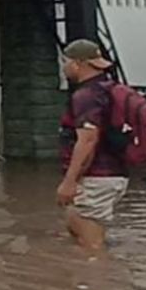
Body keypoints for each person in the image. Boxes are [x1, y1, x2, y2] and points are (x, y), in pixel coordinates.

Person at [56, 39, 128, 250]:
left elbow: (87, 140)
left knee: (91, 247)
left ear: (78, 63)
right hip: (113, 173)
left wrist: (70, 181)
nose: (64, 67)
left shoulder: (86, 95)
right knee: (73, 220)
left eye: (65, 61)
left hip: (98, 176)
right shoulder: (109, 88)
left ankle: (99, 279)